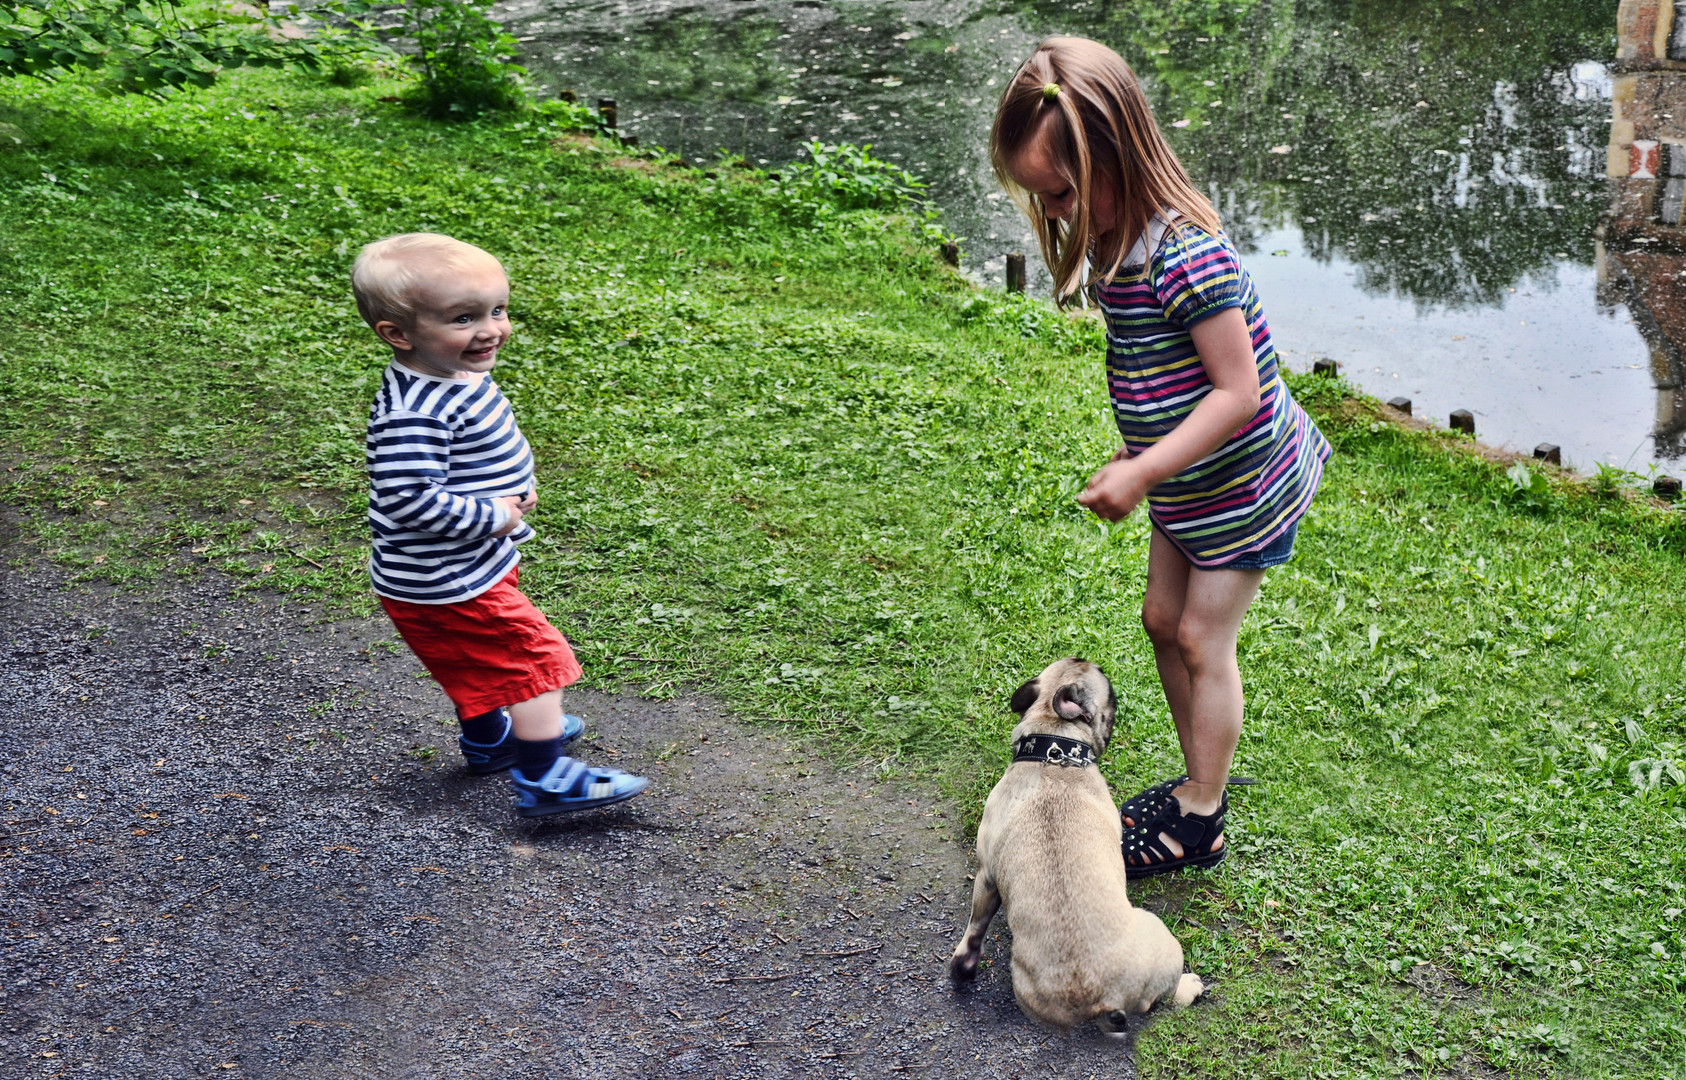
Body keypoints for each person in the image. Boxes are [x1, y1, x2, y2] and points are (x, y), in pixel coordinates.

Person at [990, 38, 1330, 876]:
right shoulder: (1118, 248)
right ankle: (1193, 784)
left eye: (1065, 192)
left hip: (1242, 479)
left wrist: (1144, 468)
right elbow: (1163, 376)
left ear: (1115, 152)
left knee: (1200, 638)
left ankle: (1202, 817)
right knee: (1159, 623)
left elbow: (1237, 391)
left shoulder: (1188, 255)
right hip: (1187, 475)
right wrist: (1141, 451)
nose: (1061, 213)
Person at [350, 232, 649, 817]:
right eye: (463, 318)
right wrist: (498, 513)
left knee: (477, 660)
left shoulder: (449, 374)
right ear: (398, 333)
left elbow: (476, 451)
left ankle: (491, 740)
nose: (490, 329)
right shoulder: (416, 412)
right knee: (534, 663)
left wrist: (505, 488)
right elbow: (408, 498)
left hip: (456, 568)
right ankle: (545, 776)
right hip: (448, 578)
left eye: (497, 310)